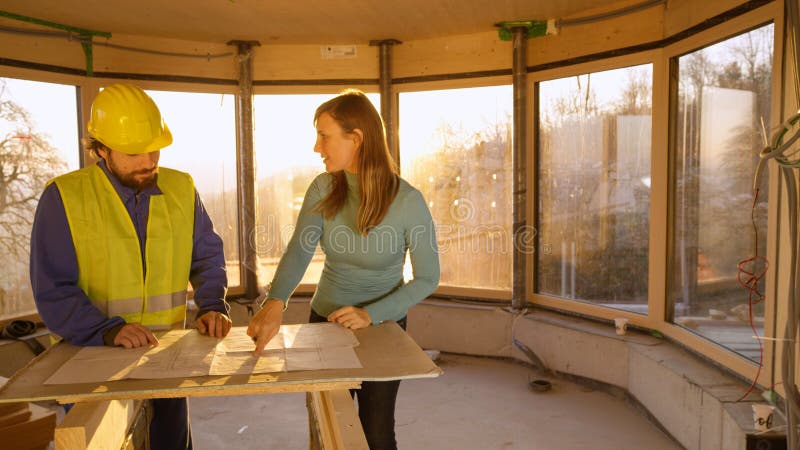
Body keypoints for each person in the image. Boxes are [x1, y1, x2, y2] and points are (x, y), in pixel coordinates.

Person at [30, 83, 231, 450]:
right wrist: (106, 330)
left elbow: (206, 258)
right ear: (101, 149)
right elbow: (53, 289)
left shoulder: (182, 187)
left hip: (165, 357)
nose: (148, 160)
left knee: (170, 444)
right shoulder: (63, 198)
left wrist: (212, 305)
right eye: (134, 152)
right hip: (89, 358)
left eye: (154, 147)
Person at [247, 89, 440, 450]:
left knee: (376, 433)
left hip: (383, 328)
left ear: (356, 138)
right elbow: (299, 250)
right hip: (326, 322)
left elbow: (428, 277)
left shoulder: (407, 201)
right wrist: (274, 302)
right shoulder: (323, 186)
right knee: (327, 428)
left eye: (324, 136)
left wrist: (372, 314)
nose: (317, 147)